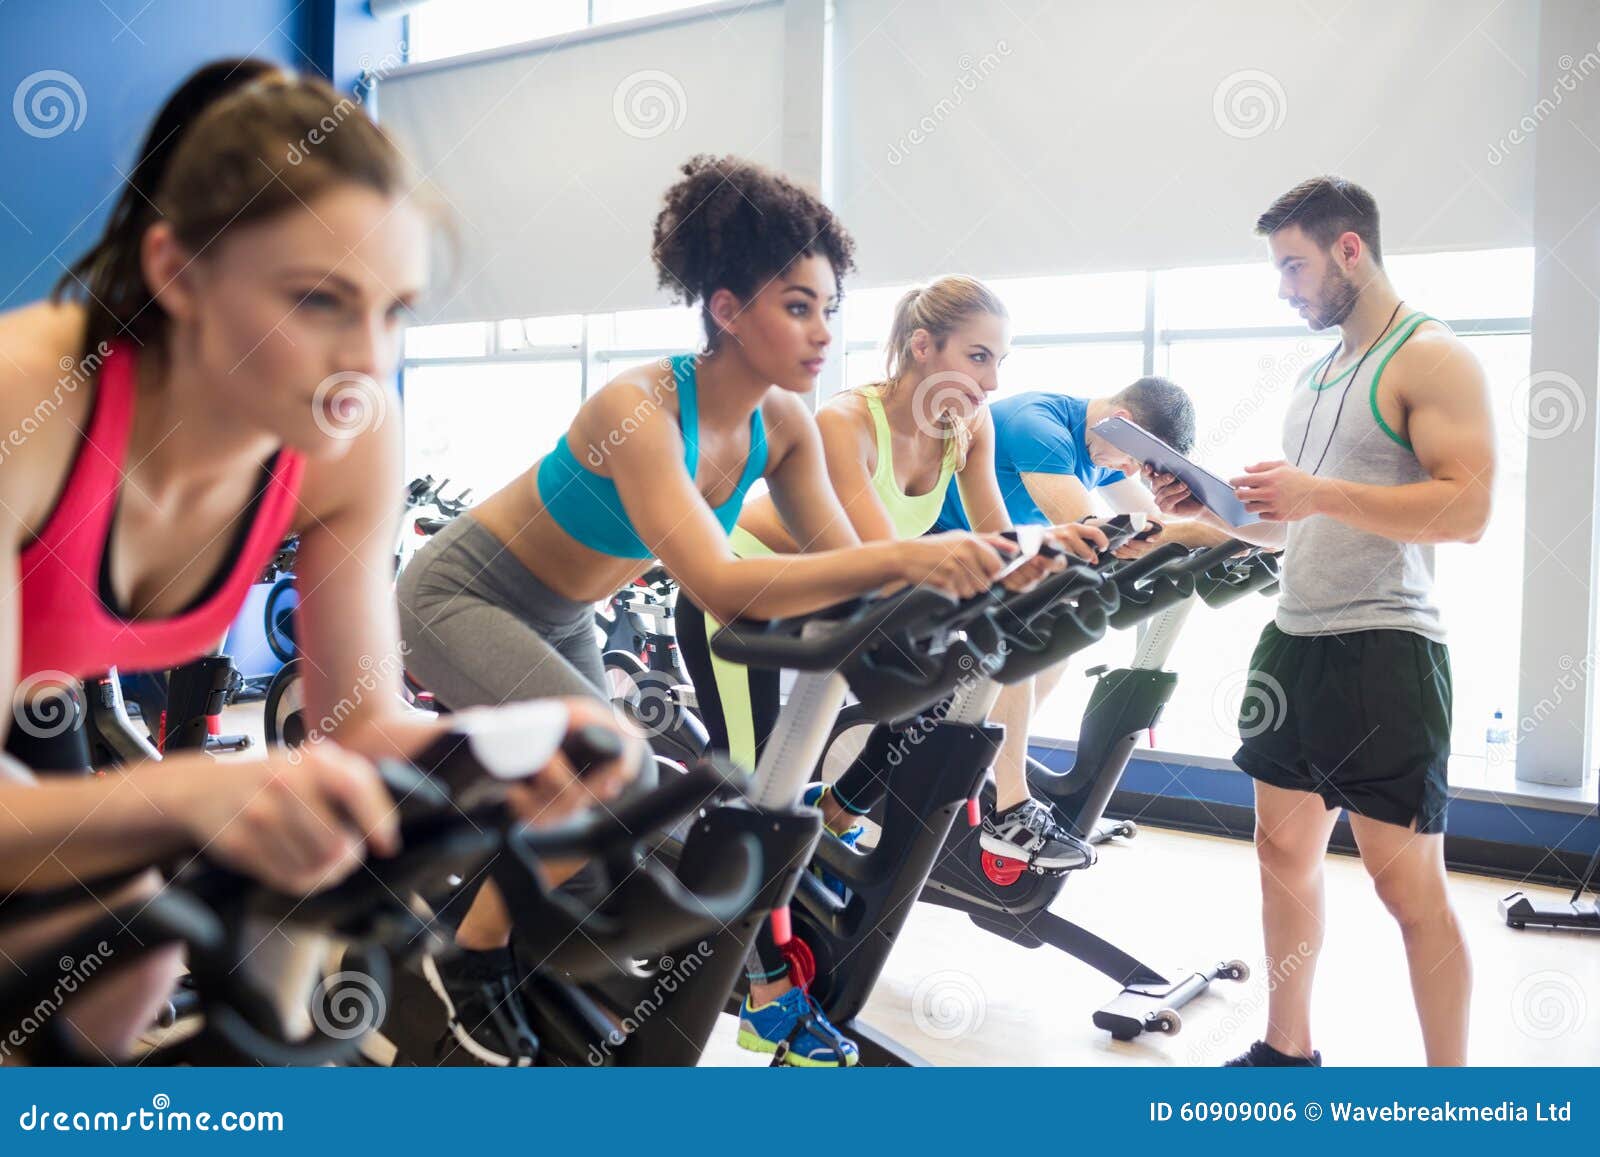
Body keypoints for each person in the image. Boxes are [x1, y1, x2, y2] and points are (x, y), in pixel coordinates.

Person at [0, 61, 638, 1064]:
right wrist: (210, 795)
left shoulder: (346, 435)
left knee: (131, 955)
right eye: (318, 301)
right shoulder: (26, 401)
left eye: (393, 312)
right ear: (177, 271)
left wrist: (501, 746)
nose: (364, 360)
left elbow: (357, 726)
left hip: (27, 720)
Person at [396, 157, 1034, 1067]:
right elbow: (717, 582)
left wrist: (1003, 574)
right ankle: (461, 966)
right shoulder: (643, 406)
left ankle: (552, 964)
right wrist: (907, 555)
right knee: (595, 772)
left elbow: (850, 557)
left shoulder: (785, 423)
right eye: (796, 306)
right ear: (728, 309)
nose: (821, 332)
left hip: (570, 612)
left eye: (828, 307)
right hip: (468, 593)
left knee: (637, 811)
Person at [675, 276, 1111, 1060]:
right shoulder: (846, 422)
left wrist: (1052, 549)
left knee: (924, 709)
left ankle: (836, 818)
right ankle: (765, 992)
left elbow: (994, 534)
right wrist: (999, 564)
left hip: (825, 613)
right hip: (741, 610)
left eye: (999, 361)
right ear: (922, 347)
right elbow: (883, 561)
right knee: (758, 797)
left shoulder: (965, 430)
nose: (991, 382)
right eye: (978, 357)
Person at [1149, 175, 1492, 1067]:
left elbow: (1468, 509)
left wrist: (1316, 491)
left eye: (1294, 265)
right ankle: (1287, 1049)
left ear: (1350, 250)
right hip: (1293, 640)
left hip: (1385, 649)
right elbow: (1291, 520)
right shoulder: (1320, 373)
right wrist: (1211, 507)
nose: (1285, 286)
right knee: (1279, 851)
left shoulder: (1433, 356)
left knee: (1407, 887)